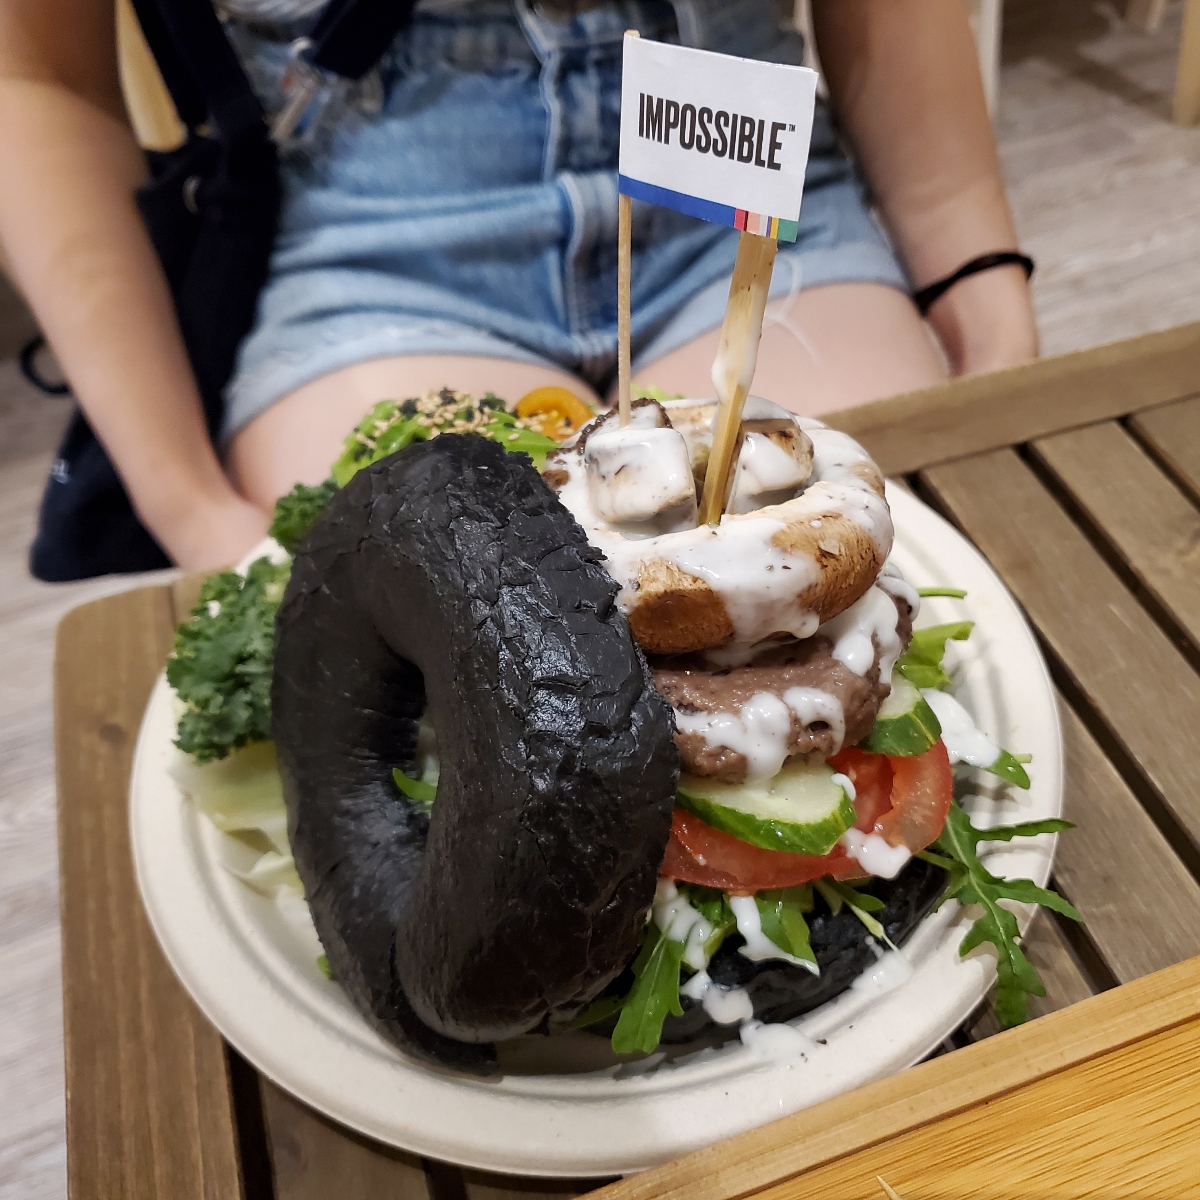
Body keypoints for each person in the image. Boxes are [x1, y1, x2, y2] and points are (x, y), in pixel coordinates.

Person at [0, 0, 1037, 573]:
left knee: (892, 579)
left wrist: (983, 293)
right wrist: (185, 504)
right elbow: (39, 71)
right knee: (444, 668)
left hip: (735, 182)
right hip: (371, 241)